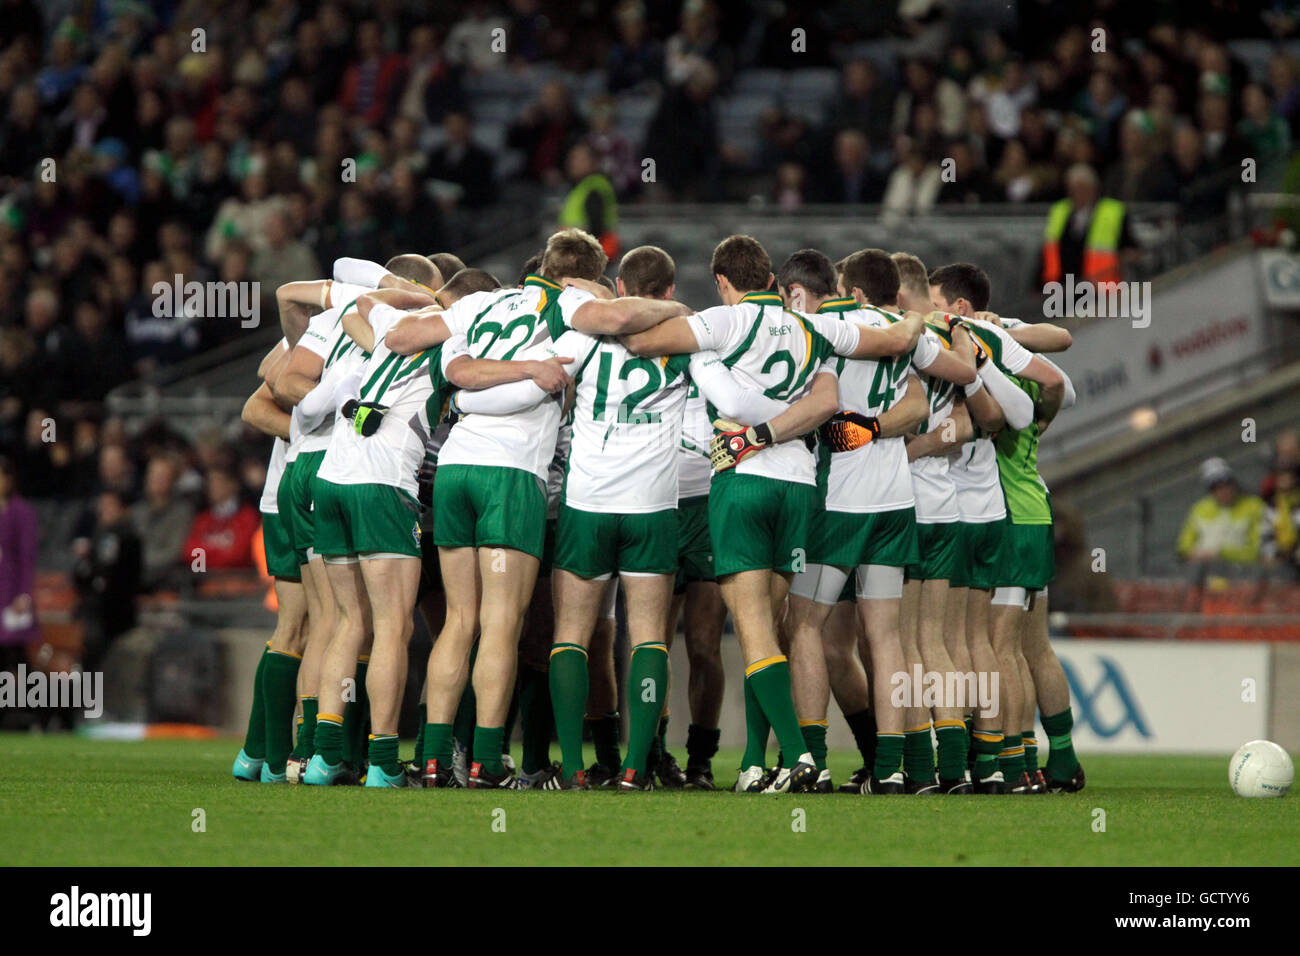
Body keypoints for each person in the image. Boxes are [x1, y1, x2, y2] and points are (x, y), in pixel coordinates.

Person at [1039, 163, 1139, 295]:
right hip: (1061, 289)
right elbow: (1048, 250)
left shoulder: (1113, 212)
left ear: (1094, 188)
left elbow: (1131, 248)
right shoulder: (1059, 211)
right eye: (1073, 189)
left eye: (1082, 188)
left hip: (1100, 291)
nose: (1078, 194)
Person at [1177, 458, 1266, 565]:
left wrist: (1221, 553)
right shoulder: (1199, 509)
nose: (1223, 491)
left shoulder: (1254, 506)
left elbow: (1257, 551)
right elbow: (1183, 547)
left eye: (1226, 484)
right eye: (1215, 487)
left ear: (1234, 483)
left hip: (1241, 572)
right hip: (1202, 571)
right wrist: (1194, 554)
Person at [0, 456, 39, 674]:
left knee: (15, 653)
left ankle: (29, 703)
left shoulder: (22, 512)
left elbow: (27, 557)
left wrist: (24, 593)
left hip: (12, 591)